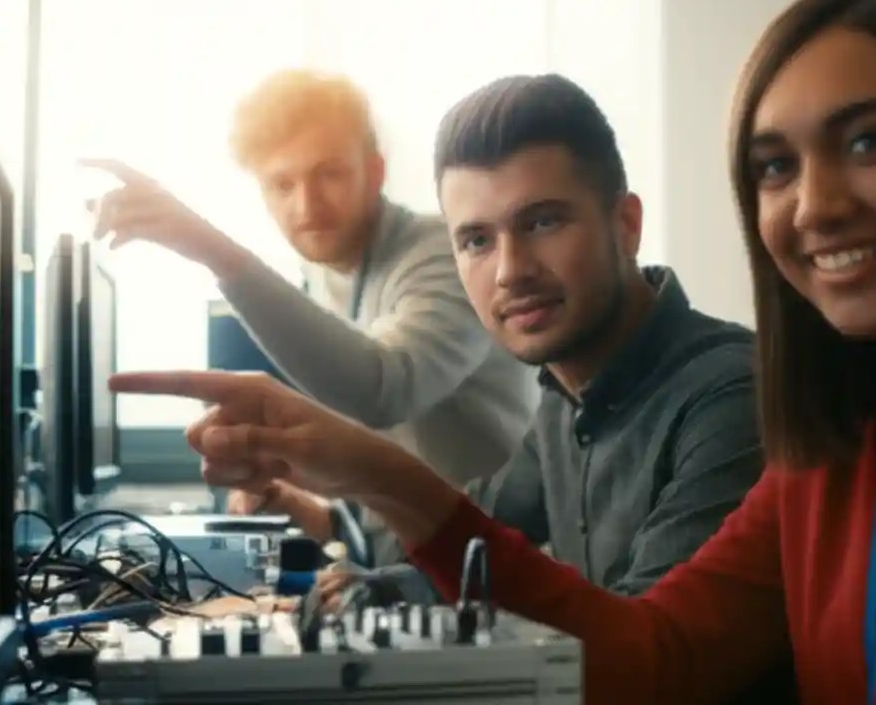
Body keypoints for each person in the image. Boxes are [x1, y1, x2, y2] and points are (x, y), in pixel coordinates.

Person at [110, 0, 876, 703]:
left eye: (868, 141)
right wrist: (359, 472)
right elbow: (646, 660)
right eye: (771, 166)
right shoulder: (839, 437)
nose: (815, 205)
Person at [307, 73, 764, 607]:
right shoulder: (565, 394)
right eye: (477, 240)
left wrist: (361, 465)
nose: (509, 271)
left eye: (543, 222)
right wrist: (385, 586)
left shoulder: (733, 394)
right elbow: (485, 532)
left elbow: (650, 647)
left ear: (627, 225)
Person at [85, 71, 538, 566]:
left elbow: (385, 388)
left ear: (375, 172)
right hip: (425, 563)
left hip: (503, 571)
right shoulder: (325, 278)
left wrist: (209, 248)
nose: (307, 204)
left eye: (330, 174)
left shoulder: (445, 254)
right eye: (282, 183)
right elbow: (392, 472)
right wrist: (299, 505)